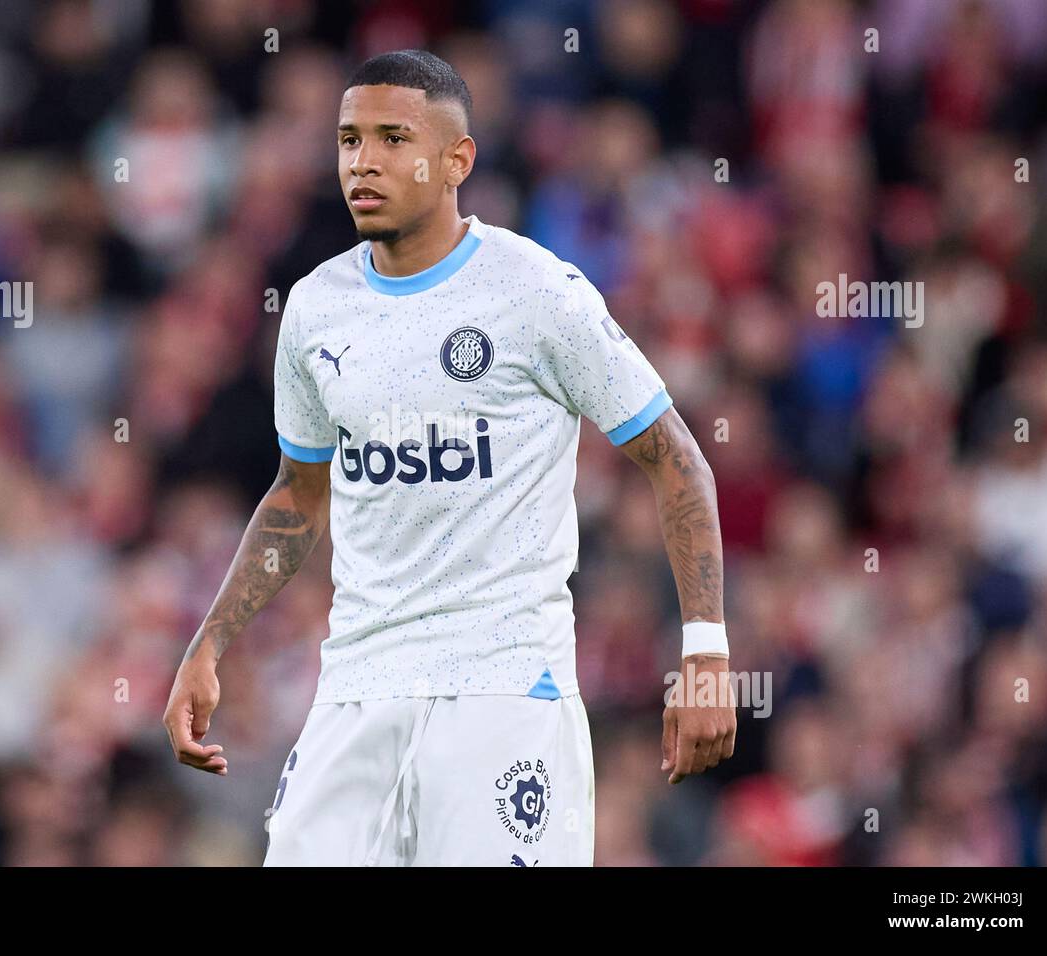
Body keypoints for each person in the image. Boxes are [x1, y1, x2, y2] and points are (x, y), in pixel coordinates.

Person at [163, 49, 735, 866]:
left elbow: (677, 459)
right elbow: (298, 493)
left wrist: (705, 653)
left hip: (505, 690)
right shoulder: (317, 308)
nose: (363, 160)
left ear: (457, 159)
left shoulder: (536, 293)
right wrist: (210, 644)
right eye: (349, 138)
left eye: (394, 138)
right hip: (357, 687)